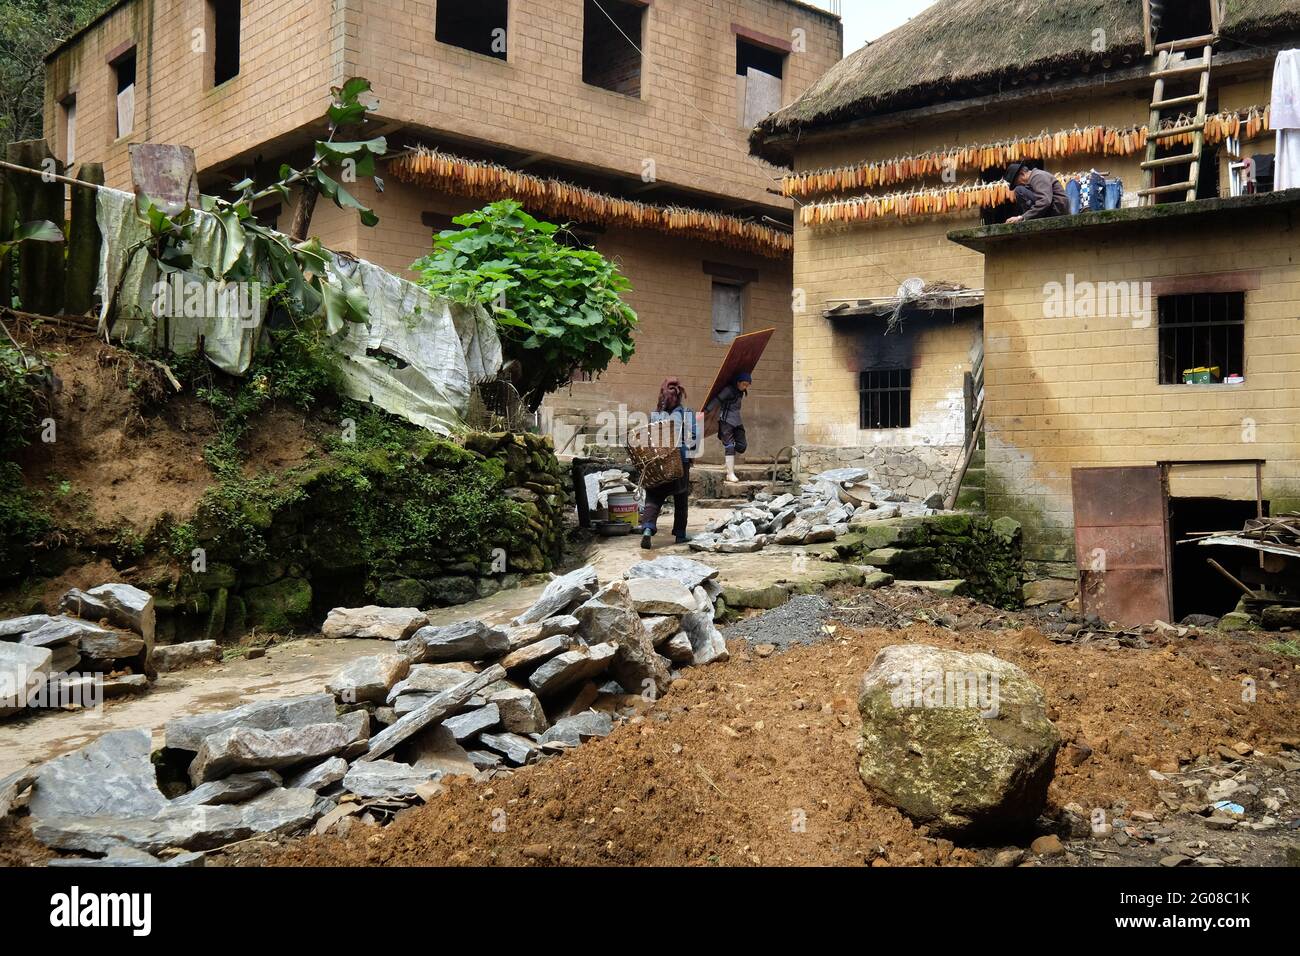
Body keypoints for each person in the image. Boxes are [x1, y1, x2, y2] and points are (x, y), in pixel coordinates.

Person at [640, 377, 698, 550]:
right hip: (679, 462)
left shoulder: (654, 415)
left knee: (654, 496)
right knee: (681, 498)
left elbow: (647, 438)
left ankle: (648, 529)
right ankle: (680, 535)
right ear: (679, 396)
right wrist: (690, 456)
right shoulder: (686, 414)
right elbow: (693, 436)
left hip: (658, 463)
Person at [705, 371, 751, 483]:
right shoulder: (728, 390)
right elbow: (717, 400)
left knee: (742, 445)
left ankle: (728, 461)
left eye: (747, 385)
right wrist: (705, 411)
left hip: (737, 420)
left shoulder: (741, 391)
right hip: (726, 420)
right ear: (738, 382)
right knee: (729, 446)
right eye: (744, 384)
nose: (745, 387)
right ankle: (730, 473)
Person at [1004, 162, 1069, 223]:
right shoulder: (1033, 179)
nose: (1019, 184)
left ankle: (1028, 217)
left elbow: (1045, 201)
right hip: (1051, 209)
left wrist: (1021, 217)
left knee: (1019, 190)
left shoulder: (1038, 176)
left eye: (1017, 182)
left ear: (1022, 174)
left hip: (1056, 210)